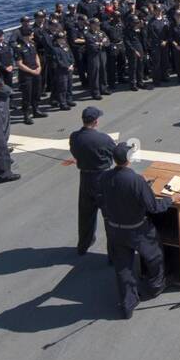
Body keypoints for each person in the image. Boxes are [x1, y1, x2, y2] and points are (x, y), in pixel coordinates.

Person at [98, 142, 170, 319]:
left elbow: (101, 199)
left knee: (123, 268)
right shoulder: (136, 180)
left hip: (115, 230)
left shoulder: (104, 177)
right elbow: (153, 207)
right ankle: (155, 287)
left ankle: (128, 303)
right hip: (138, 230)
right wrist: (169, 200)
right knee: (154, 256)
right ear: (129, 159)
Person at [68, 106, 116, 255]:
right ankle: (113, 252)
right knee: (110, 217)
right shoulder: (103, 139)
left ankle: (83, 244)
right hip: (102, 177)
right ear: (96, 121)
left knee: (85, 215)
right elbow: (115, 153)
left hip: (85, 177)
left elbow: (75, 152)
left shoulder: (74, 136)